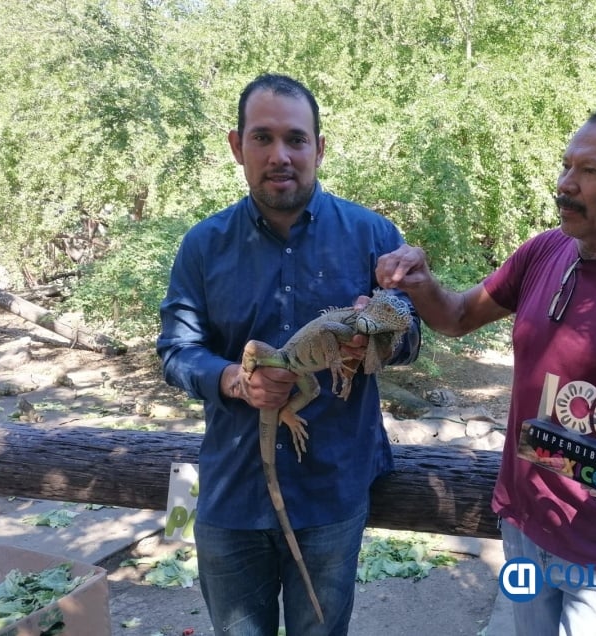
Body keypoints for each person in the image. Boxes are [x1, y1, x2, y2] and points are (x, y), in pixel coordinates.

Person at [376, 100, 596, 636]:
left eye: (590, 171)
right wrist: (420, 280)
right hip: (525, 522)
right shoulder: (545, 252)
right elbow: (454, 317)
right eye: (567, 166)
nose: (567, 183)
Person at [157, 73, 420, 636]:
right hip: (232, 491)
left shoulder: (373, 234)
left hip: (334, 490)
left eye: (296, 139)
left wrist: (376, 339)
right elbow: (175, 350)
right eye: (262, 138)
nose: (281, 155)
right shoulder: (202, 245)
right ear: (237, 146)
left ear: (319, 149)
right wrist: (233, 378)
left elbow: (411, 335)